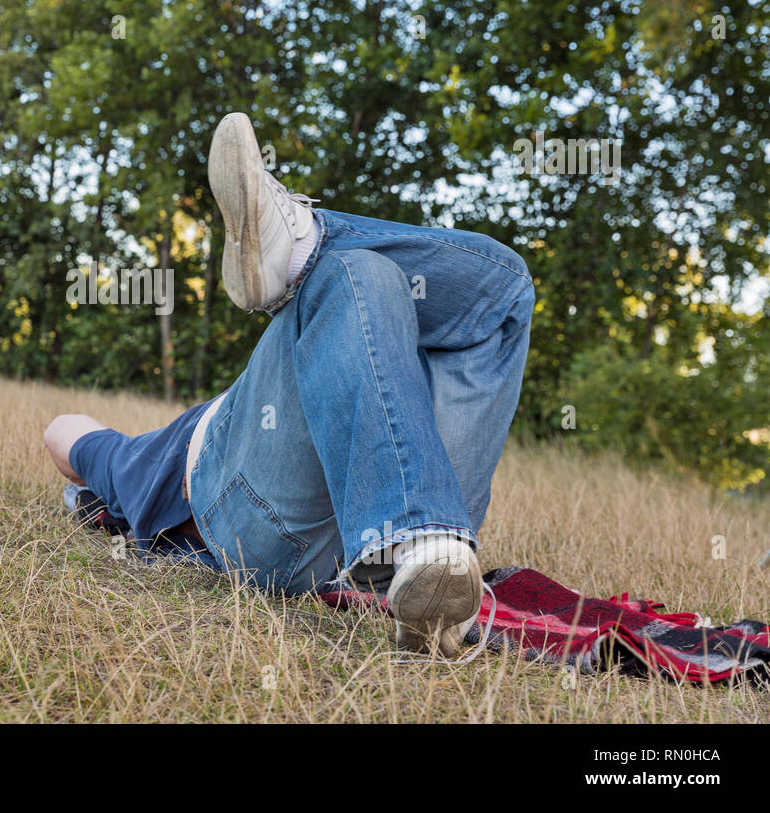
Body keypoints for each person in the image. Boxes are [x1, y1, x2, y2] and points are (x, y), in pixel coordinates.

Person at [44, 113, 535, 655]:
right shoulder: (144, 465)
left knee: (505, 290)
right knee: (358, 274)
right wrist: (100, 467)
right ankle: (305, 245)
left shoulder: (141, 461)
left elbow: (61, 432)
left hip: (346, 523)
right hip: (257, 529)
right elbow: (63, 433)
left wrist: (96, 459)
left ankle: (431, 554)